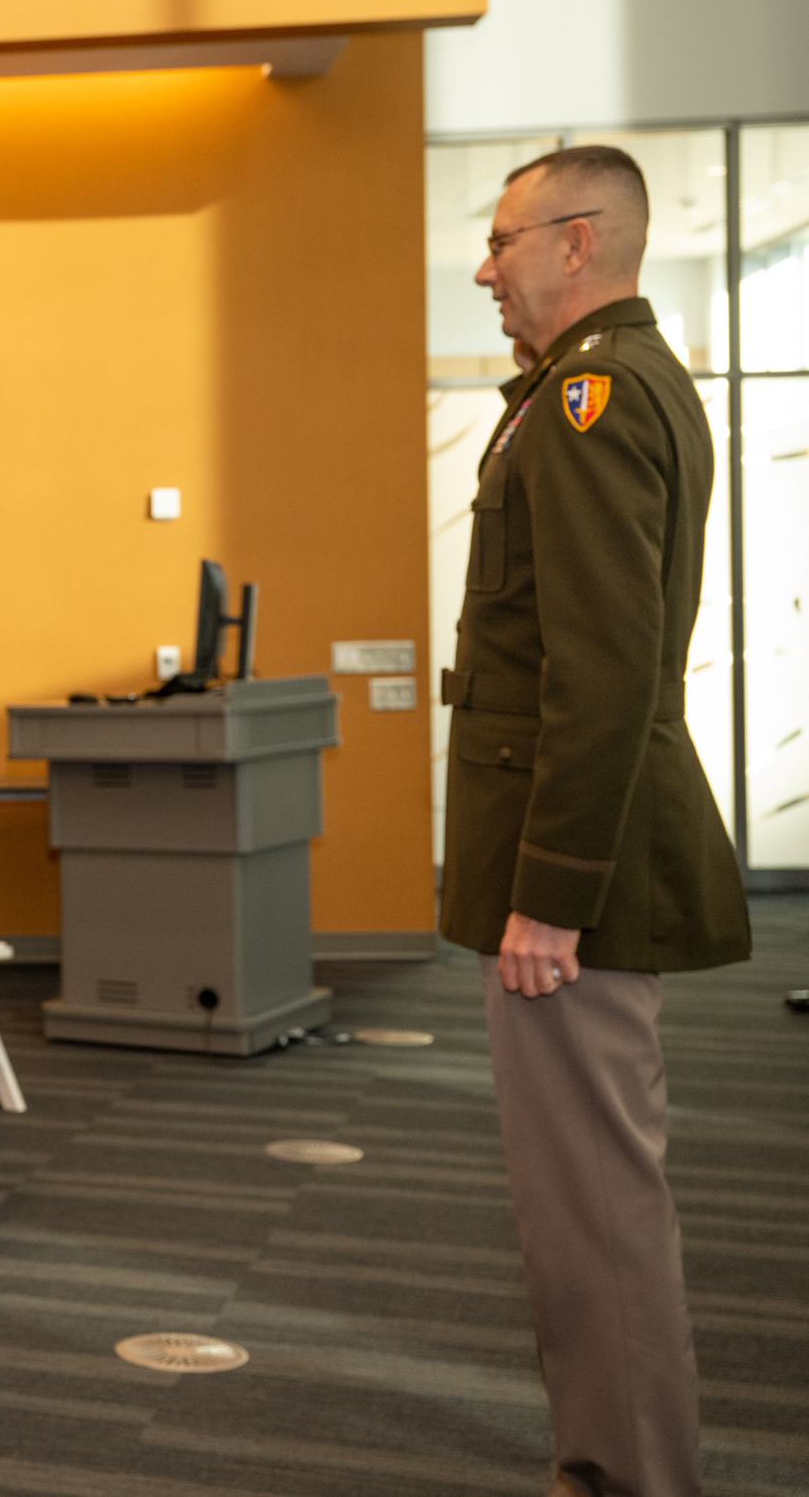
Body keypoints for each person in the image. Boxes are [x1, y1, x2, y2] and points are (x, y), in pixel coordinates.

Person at [446, 143, 751, 1497]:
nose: (482, 268)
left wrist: (547, 891)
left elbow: (601, 664)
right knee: (586, 1198)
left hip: (577, 874)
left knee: (590, 1210)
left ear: (575, 244)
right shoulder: (608, 387)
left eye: (500, 242)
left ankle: (626, 1476)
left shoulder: (586, 395)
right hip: (584, 857)